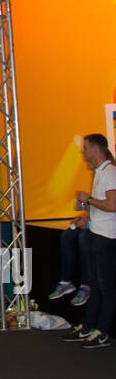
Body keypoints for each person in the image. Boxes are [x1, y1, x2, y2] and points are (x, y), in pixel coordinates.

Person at [62, 134, 116, 348]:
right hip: (96, 234)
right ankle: (88, 326)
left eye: (85, 148)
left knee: (105, 287)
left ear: (95, 149)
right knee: (94, 285)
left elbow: (113, 206)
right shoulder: (100, 173)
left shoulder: (110, 173)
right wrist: (87, 213)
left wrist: (89, 200)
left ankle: (102, 331)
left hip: (106, 238)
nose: (83, 153)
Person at [49, 212, 92, 307]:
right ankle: (66, 281)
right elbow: (88, 206)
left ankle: (86, 285)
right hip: (96, 218)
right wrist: (82, 217)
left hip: (106, 224)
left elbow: (110, 208)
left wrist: (89, 222)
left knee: (84, 237)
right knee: (66, 236)